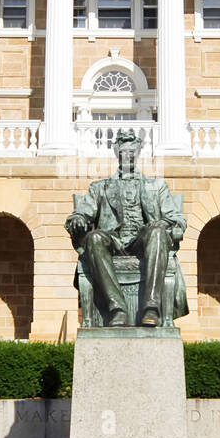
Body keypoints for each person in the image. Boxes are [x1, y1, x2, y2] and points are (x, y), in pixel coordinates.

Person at [65, 129, 188, 327]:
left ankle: (151, 308)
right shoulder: (100, 187)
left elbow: (177, 219)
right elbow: (80, 214)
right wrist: (78, 219)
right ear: (116, 153)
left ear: (138, 153)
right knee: (94, 237)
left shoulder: (156, 186)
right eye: (123, 152)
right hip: (113, 242)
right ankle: (117, 308)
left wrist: (162, 224)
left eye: (132, 152)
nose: (128, 156)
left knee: (157, 232)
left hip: (145, 241)